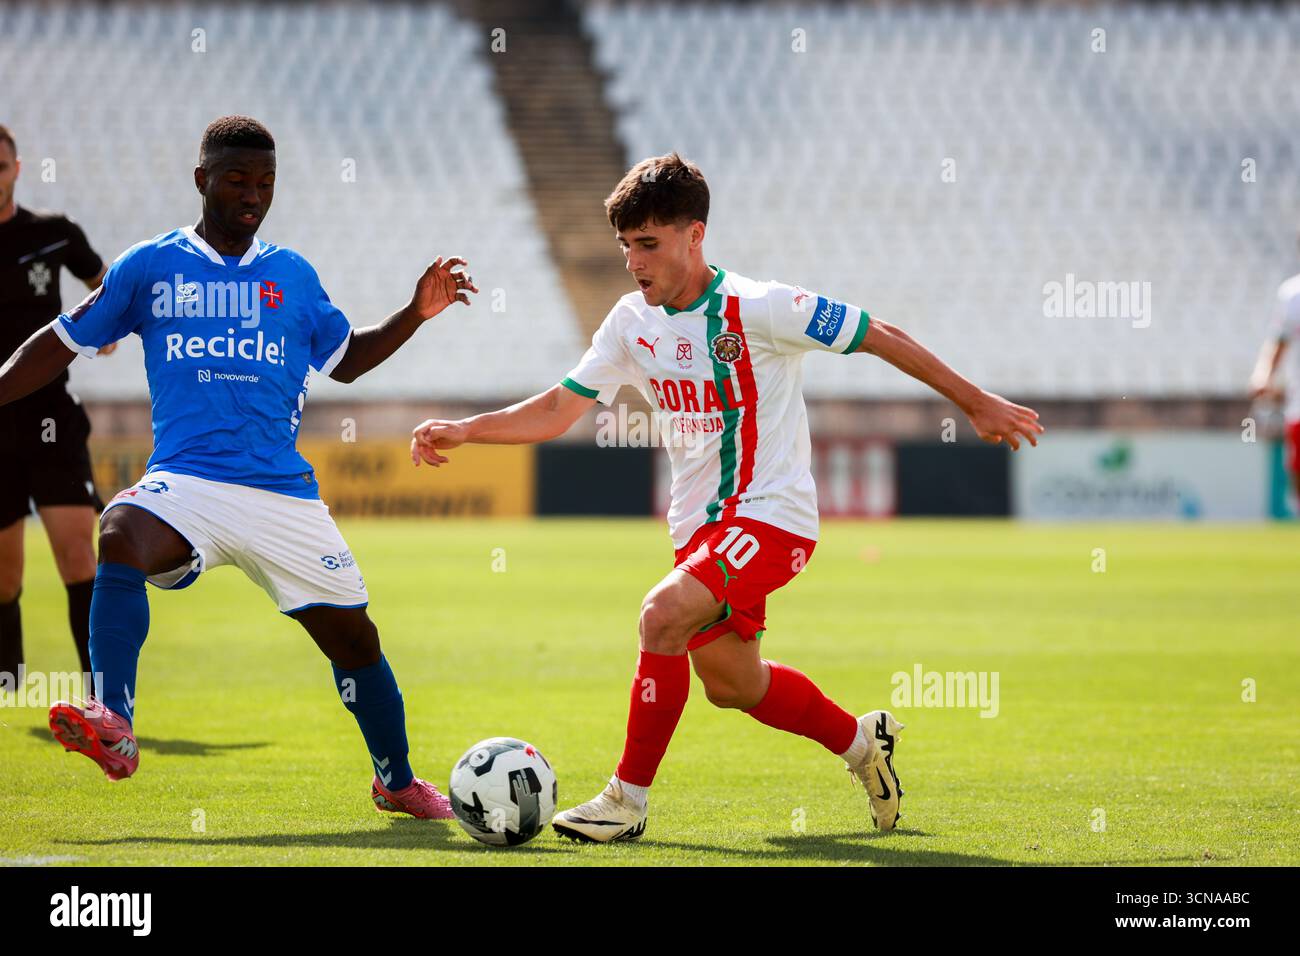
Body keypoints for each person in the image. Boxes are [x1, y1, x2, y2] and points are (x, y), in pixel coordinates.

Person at [411, 152, 1044, 842]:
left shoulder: (763, 309)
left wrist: (977, 403)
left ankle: (626, 800)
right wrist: (467, 430)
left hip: (774, 518)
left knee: (660, 616)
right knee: (735, 686)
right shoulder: (631, 322)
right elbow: (560, 408)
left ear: (694, 234)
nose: (635, 262)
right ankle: (865, 747)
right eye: (626, 247)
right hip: (698, 529)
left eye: (648, 244)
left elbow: (878, 334)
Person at [0, 116, 477, 819]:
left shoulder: (292, 274)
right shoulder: (150, 266)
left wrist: (415, 311)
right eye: (236, 180)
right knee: (120, 531)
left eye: (265, 183)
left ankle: (396, 780)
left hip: (281, 494)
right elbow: (61, 340)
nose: (252, 195)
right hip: (187, 484)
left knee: (355, 640)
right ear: (202, 180)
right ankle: (115, 721)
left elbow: (347, 360)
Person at [0, 123, 114, 683]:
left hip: (50, 416)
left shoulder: (53, 233)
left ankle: (104, 698)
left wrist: (108, 322)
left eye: (0, 167)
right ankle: (8, 688)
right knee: (3, 575)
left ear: (16, 170)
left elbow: (107, 283)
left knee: (79, 556)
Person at [1248, 251, 1300, 501]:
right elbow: (1279, 341)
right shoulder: (1293, 295)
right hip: (1299, 404)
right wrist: (1264, 374)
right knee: (1297, 476)